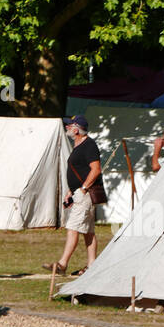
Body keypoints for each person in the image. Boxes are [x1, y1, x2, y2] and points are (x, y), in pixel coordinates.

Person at [43, 115, 102, 277]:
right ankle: (92, 266)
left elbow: (96, 169)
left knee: (73, 228)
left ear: (76, 129)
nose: (67, 128)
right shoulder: (79, 145)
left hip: (85, 194)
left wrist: (83, 188)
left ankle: (62, 264)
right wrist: (72, 190)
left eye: (69, 126)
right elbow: (80, 170)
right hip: (79, 192)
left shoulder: (89, 145)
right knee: (88, 232)